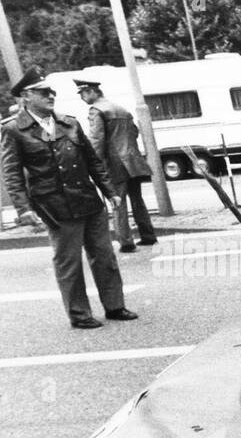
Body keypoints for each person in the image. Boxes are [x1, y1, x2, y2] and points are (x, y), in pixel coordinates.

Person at [1, 69, 135, 329]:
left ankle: (115, 306)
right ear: (26, 96)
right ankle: (79, 314)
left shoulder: (68, 122)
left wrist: (110, 191)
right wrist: (23, 209)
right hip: (55, 206)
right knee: (68, 262)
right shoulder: (14, 129)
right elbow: (12, 173)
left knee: (105, 256)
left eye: (51, 92)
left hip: (87, 199)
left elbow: (92, 161)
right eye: (43, 92)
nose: (51, 96)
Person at [74, 79, 156, 254]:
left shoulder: (96, 110)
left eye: (83, 93)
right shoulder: (121, 109)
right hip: (133, 161)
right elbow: (134, 132)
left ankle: (126, 242)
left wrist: (92, 165)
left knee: (117, 201)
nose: (82, 98)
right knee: (137, 200)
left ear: (91, 91)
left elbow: (96, 139)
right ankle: (148, 235)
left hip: (115, 163)